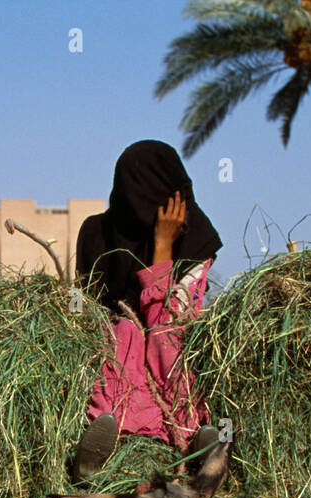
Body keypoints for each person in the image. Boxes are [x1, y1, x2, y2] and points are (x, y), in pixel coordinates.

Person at [73, 141, 223, 480]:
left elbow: (174, 317)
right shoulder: (97, 234)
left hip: (168, 349)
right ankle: (98, 449)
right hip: (118, 352)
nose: (177, 207)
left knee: (167, 336)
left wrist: (162, 249)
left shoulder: (195, 239)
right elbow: (87, 309)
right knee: (123, 335)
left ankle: (194, 444)